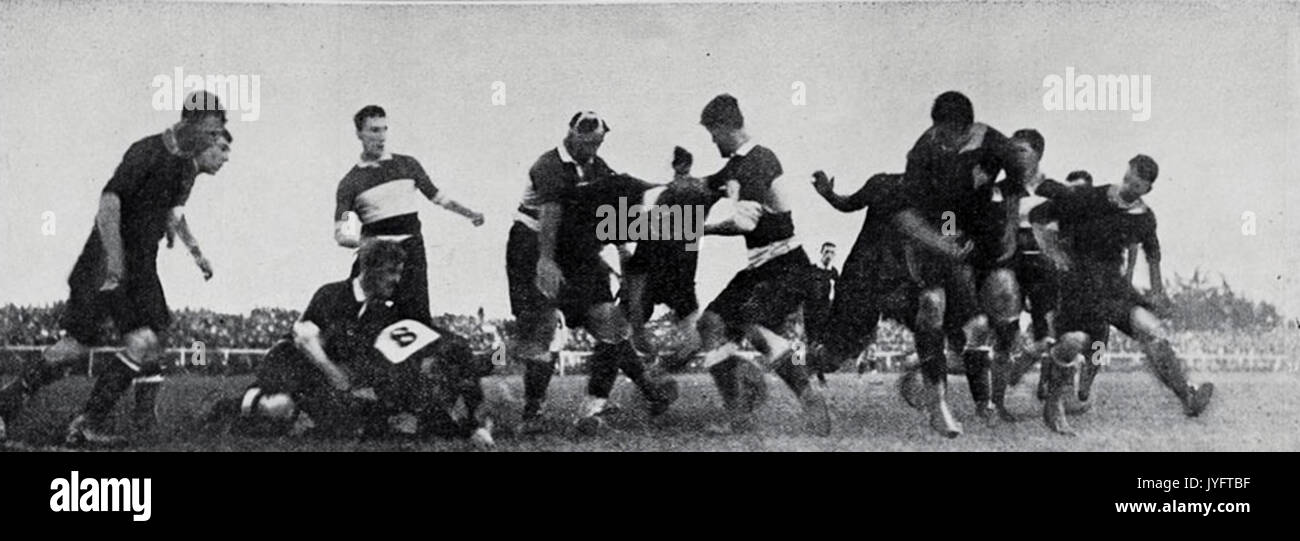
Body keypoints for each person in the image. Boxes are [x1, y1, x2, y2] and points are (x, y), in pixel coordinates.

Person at [0, 92, 230, 446]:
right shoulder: (147, 151)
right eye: (212, 131)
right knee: (76, 345)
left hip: (140, 266)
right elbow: (109, 204)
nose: (216, 139)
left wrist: (194, 252)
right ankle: (10, 406)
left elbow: (171, 211)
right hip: (105, 262)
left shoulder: (186, 166)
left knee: (149, 339)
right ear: (191, 123)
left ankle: (89, 422)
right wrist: (114, 264)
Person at [202, 240, 494, 445]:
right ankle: (234, 406)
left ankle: (306, 415)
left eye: (399, 273)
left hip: (324, 381)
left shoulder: (384, 312)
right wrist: (336, 375)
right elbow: (304, 341)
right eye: (391, 272)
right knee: (280, 407)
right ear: (369, 270)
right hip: (290, 368)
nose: (396, 280)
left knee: (359, 424)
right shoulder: (332, 295)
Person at [509, 111, 678, 435]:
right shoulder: (549, 166)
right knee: (543, 326)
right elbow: (551, 213)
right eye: (588, 143)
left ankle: (595, 408)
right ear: (571, 134)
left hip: (576, 248)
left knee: (609, 321)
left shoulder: (597, 166)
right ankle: (533, 414)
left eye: (598, 143)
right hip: (533, 245)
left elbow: (612, 202)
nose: (593, 149)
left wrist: (622, 247)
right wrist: (545, 260)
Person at [1030, 154, 1213, 435]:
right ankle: (1053, 403)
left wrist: (1158, 292)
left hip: (1113, 287)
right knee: (1075, 341)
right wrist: (1053, 252)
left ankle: (1187, 397)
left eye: (1137, 185)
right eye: (1128, 179)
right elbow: (1038, 216)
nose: (1128, 187)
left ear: (1147, 189)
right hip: (1079, 283)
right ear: (1125, 173)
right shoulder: (1089, 197)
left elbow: (1153, 252)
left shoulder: (1144, 218)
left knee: (1151, 330)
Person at [694, 94, 830, 436]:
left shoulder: (759, 160)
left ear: (726, 127)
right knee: (711, 324)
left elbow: (746, 222)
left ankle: (808, 391)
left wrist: (699, 229)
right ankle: (739, 418)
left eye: (713, 133)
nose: (712, 140)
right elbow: (700, 186)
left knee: (755, 327)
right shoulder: (735, 166)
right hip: (760, 267)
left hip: (787, 264)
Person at [887, 91, 1020, 436]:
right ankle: (939, 406)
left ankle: (983, 401)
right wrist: (943, 242)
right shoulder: (924, 150)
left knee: (978, 323)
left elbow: (1016, 186)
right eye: (936, 132)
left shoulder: (995, 144)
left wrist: (1006, 229)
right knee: (932, 304)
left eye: (945, 134)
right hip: (932, 230)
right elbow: (906, 216)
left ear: (966, 130)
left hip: (973, 233)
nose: (939, 140)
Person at [334, 105, 485, 327]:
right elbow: (342, 234)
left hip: (411, 253)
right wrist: (370, 244)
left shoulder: (407, 165)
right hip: (376, 257)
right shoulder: (351, 183)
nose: (381, 137)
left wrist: (469, 213)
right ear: (359, 134)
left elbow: (439, 198)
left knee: (416, 319)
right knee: (358, 319)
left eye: (384, 129)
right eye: (374, 130)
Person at [620, 146, 711, 370]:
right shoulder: (695, 191)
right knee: (692, 336)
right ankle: (656, 372)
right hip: (672, 269)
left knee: (620, 330)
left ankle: (655, 373)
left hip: (661, 269)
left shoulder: (677, 192)